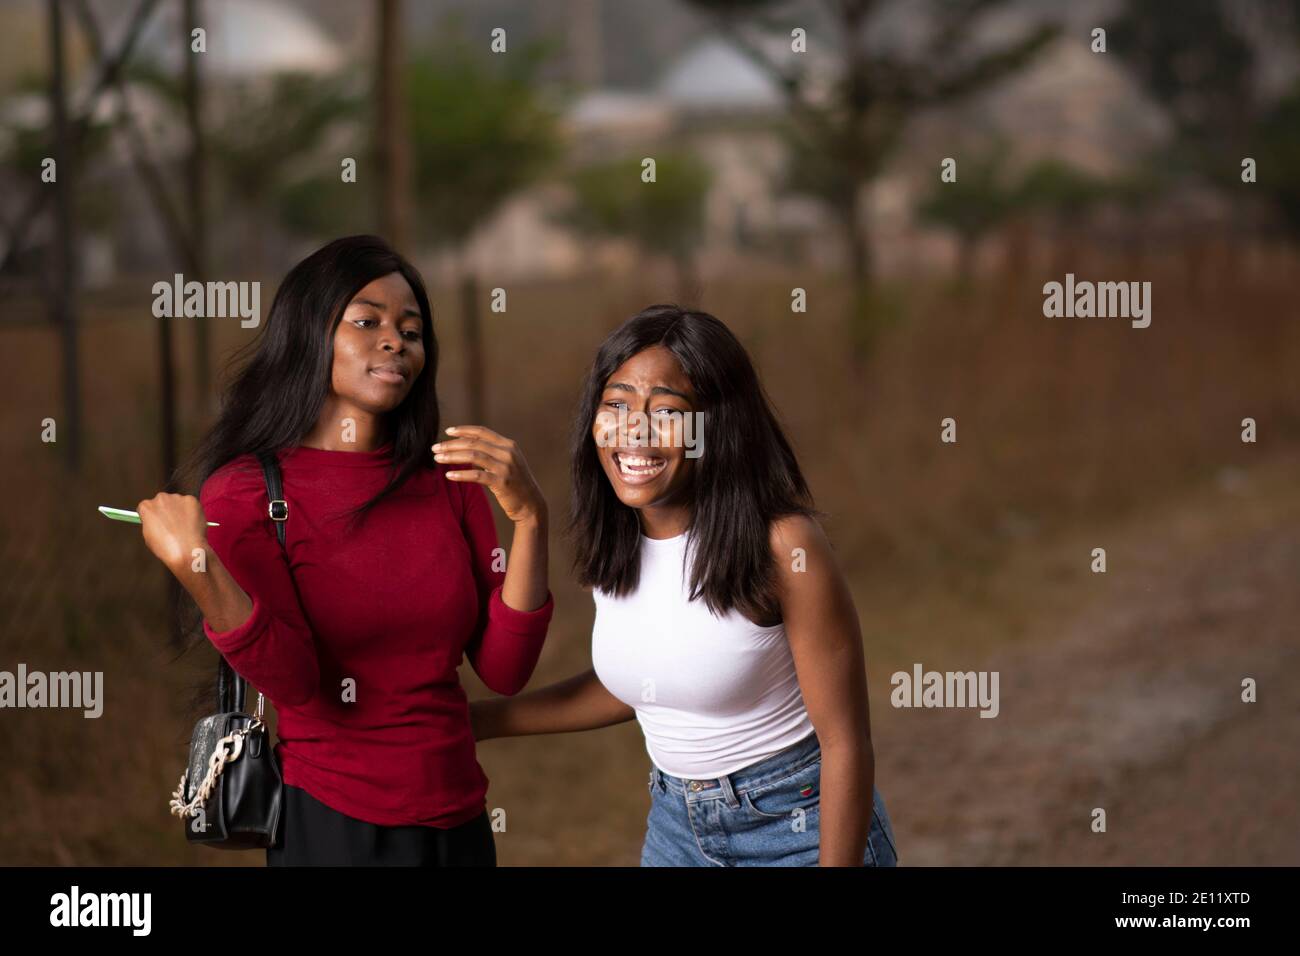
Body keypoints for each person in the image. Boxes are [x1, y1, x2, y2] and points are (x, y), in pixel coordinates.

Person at [137, 235, 553, 866]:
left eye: (411, 330)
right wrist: (197, 569)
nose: (396, 341)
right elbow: (295, 682)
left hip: (460, 820)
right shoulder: (248, 493)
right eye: (367, 322)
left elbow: (502, 669)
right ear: (310, 334)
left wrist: (530, 518)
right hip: (332, 823)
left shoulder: (450, 480)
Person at [471, 305, 898, 866]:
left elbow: (846, 745)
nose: (634, 432)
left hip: (798, 823)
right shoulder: (617, 537)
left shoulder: (784, 546)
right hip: (679, 828)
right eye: (616, 403)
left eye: (667, 412)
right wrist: (477, 721)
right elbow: (646, 684)